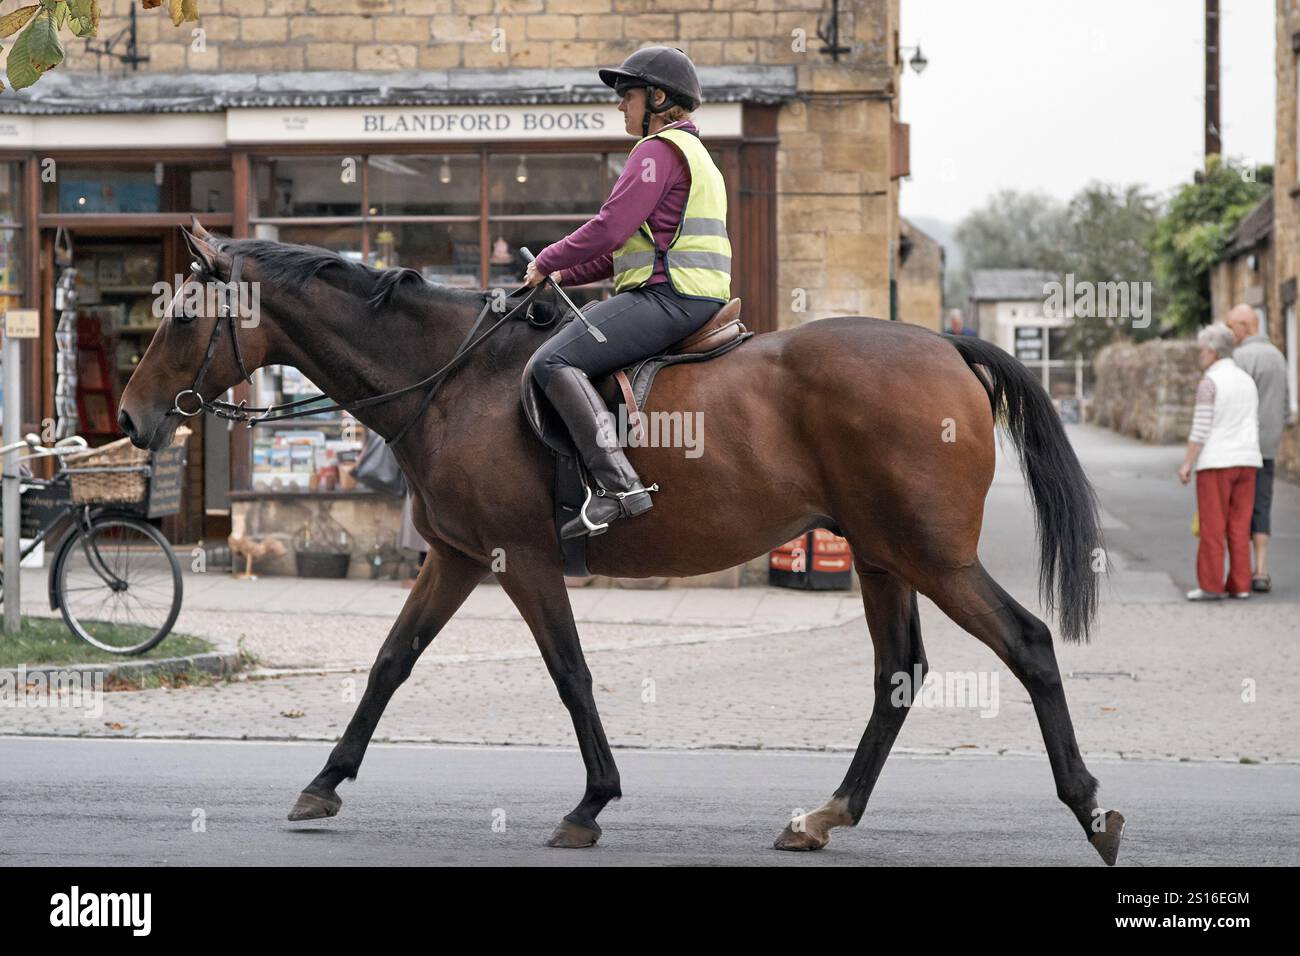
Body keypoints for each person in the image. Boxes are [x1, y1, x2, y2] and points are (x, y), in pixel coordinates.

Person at [523, 46, 732, 539]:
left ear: (658, 98)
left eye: (627, 95)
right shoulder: (697, 154)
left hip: (669, 298)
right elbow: (620, 251)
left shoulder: (657, 151)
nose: (620, 105)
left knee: (551, 363)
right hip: (691, 295)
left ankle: (618, 486)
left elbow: (610, 227)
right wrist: (554, 276)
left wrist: (549, 257)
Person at [1178, 323, 1263, 600]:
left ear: (1213, 352)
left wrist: (1187, 462)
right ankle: (1240, 585)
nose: (1200, 356)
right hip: (1248, 459)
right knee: (1240, 526)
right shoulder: (1247, 380)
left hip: (1217, 461)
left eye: (1202, 351)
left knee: (1213, 527)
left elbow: (1201, 427)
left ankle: (1211, 585)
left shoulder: (1209, 382)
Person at [1225, 303, 1287, 593]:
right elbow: (1287, 404)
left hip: (1242, 445)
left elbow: (1233, 401)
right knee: (1262, 506)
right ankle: (1260, 570)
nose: (1229, 333)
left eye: (1232, 327)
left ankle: (1237, 571)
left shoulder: (1240, 357)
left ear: (1245, 326)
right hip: (1269, 445)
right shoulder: (1278, 356)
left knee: (1238, 507)